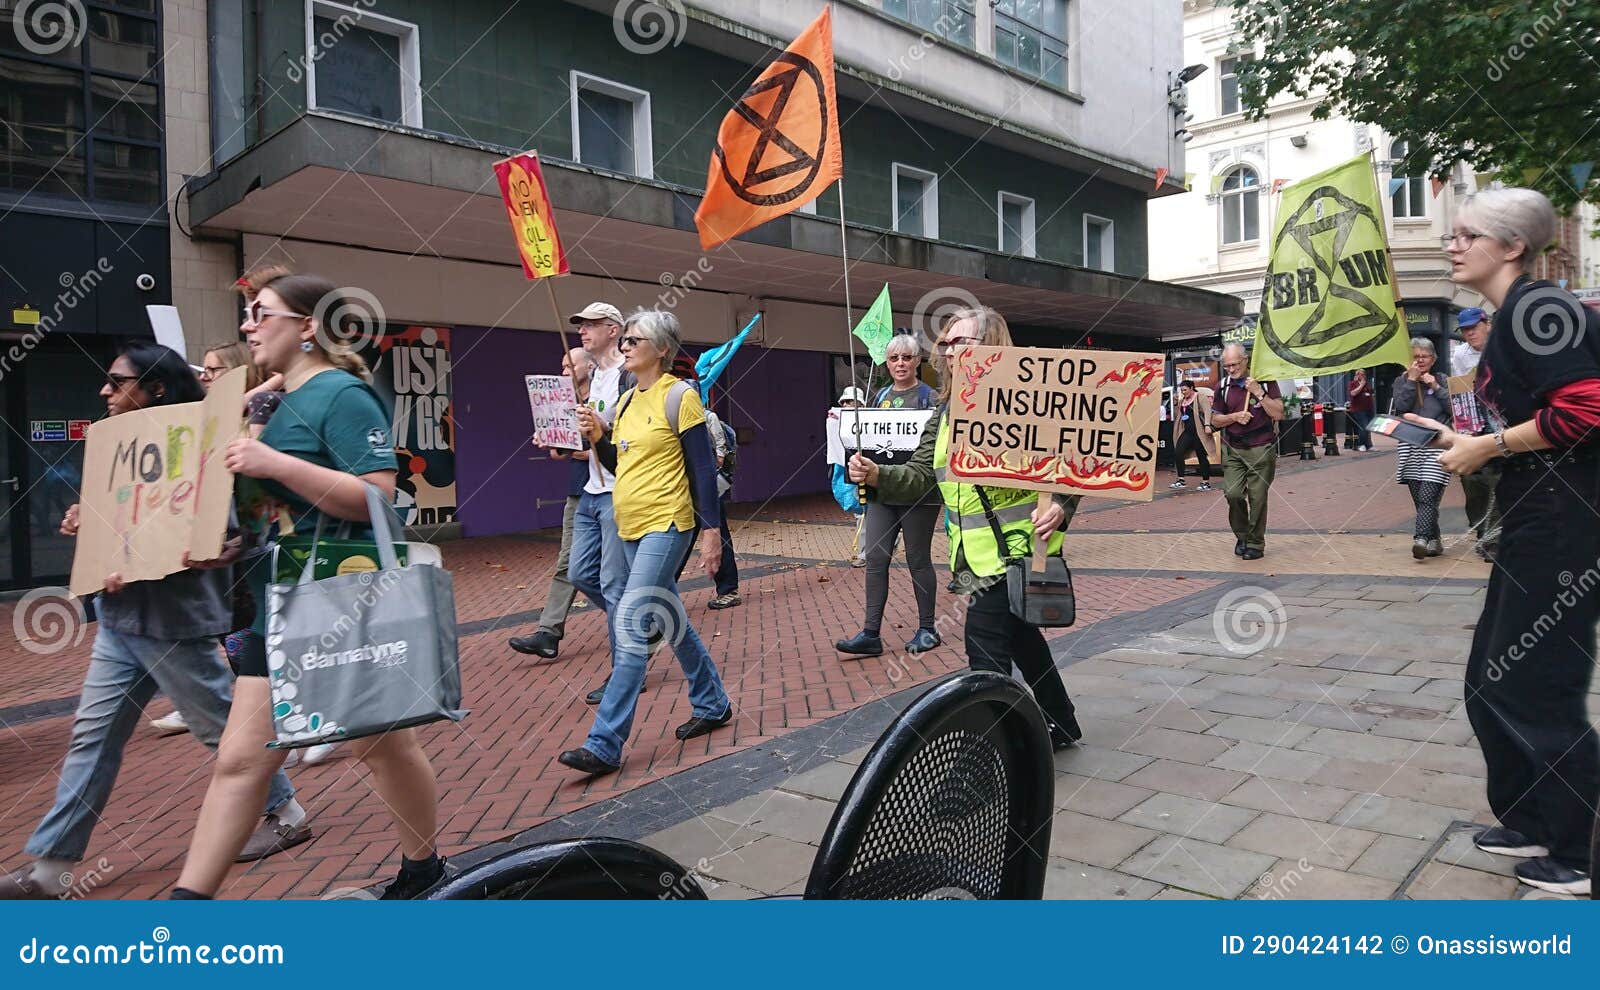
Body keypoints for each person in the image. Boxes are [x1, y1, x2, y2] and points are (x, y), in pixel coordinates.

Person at [0, 343, 308, 900]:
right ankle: (50, 867)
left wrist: (222, 545)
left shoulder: (212, 442)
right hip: (121, 618)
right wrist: (84, 521)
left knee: (219, 725)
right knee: (93, 738)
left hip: (175, 618)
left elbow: (254, 524)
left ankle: (285, 810)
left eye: (118, 382)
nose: (105, 391)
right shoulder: (120, 445)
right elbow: (115, 512)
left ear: (157, 388)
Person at [171, 274, 444, 899]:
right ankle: (186, 908)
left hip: (336, 601)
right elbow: (277, 513)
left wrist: (272, 462)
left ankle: (425, 870)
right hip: (278, 600)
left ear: (308, 327)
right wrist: (227, 548)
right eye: (247, 314)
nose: (247, 326)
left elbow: (379, 496)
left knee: (382, 748)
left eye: (260, 313)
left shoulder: (342, 396)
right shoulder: (270, 406)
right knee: (242, 761)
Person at [1405, 187, 1600, 895]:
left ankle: (1578, 852)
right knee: (1491, 680)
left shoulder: (1540, 307)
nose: (1451, 244)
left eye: (1466, 234)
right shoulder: (1512, 314)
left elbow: (1588, 409)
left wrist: (1487, 447)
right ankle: (1531, 818)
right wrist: (1473, 441)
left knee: (1534, 686)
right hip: (1534, 517)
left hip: (1564, 525)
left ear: (1512, 246)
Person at [847, 306, 1081, 747]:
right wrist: (878, 474)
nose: (951, 350)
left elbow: (1070, 463)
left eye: (962, 342)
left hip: (1018, 549)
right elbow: (920, 474)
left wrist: (1063, 506)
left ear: (991, 345)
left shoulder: (1025, 401)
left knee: (984, 652)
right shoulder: (945, 412)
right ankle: (1061, 723)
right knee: (1023, 639)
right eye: (948, 343)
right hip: (972, 557)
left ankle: (990, 752)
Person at [560, 310, 734, 776]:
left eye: (635, 339)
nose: (626, 346)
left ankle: (604, 743)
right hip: (630, 525)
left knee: (634, 623)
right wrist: (597, 435)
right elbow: (619, 465)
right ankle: (713, 701)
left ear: (661, 349)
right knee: (669, 616)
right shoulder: (625, 403)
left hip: (668, 524)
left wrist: (711, 533)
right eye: (626, 340)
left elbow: (702, 470)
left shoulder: (680, 396)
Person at [835, 333, 942, 658]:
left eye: (906, 358)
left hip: (917, 493)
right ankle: (871, 633)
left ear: (917, 361)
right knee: (875, 559)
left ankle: (927, 628)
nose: (900, 364)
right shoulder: (879, 395)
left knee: (917, 559)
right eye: (894, 358)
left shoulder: (931, 398)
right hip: (882, 491)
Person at [566, 302, 634, 706]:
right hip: (590, 492)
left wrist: (601, 429)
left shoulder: (626, 377)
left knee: (613, 584)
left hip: (617, 492)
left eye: (591, 325)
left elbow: (628, 435)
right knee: (580, 574)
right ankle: (641, 621)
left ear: (613, 330)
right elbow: (584, 441)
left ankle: (624, 671)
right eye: (580, 325)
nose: (583, 331)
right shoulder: (591, 381)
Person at [511, 346, 595, 659]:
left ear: (589, 366)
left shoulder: (608, 395)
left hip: (613, 493)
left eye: (568, 366)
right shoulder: (564, 404)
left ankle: (643, 618)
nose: (563, 372)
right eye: (561, 366)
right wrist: (550, 440)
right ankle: (548, 632)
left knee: (614, 567)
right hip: (578, 491)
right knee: (567, 563)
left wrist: (589, 453)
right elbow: (559, 453)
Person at [1211, 343, 1284, 559]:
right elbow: (1215, 419)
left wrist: (1259, 393)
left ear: (1245, 360)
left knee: (1257, 497)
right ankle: (1242, 535)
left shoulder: (1264, 380)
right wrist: (1233, 417)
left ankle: (1255, 543)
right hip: (1233, 448)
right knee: (1232, 494)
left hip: (1261, 446)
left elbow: (1278, 413)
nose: (1231, 370)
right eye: (1227, 366)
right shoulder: (1222, 386)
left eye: (1234, 364)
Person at [1390, 338, 1451, 559]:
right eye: (1416, 356)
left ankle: (1421, 539)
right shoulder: (1402, 381)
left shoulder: (1443, 379)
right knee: (1419, 495)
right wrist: (1411, 381)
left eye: (1424, 356)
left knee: (1428, 492)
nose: (1420, 360)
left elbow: (1453, 408)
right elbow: (1401, 407)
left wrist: (1434, 386)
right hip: (1410, 443)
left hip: (1438, 443)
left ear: (1433, 359)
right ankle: (1435, 539)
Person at [1450, 307, 1501, 558]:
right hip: (1474, 424)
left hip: (1502, 423)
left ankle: (1493, 540)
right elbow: (1460, 391)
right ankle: (1482, 531)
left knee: (1498, 481)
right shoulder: (1460, 355)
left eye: (1474, 327)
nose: (1469, 333)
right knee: (1472, 479)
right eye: (1465, 330)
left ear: (1487, 324)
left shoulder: (1503, 348)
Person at [701, 402, 742, 609]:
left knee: (719, 534)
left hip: (706, 486)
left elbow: (720, 453)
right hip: (686, 489)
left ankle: (728, 589)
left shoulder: (707, 417)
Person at [833, 387, 868, 567]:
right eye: (844, 402)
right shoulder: (838, 421)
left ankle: (864, 553)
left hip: (866, 470)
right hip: (848, 472)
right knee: (860, 513)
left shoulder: (869, 422)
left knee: (865, 514)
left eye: (850, 402)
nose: (846, 405)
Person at [1169, 380, 1214, 491]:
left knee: (1201, 456)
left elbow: (1207, 410)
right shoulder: (1182, 401)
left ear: (1192, 388)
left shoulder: (1200, 397)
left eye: (1185, 390)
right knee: (1178, 452)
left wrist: (1207, 424)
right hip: (1187, 432)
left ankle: (1205, 482)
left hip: (1199, 432)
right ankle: (1181, 479)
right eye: (1182, 390)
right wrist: (1175, 403)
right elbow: (1178, 415)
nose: (1183, 392)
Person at [1346, 368, 1375, 451]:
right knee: (1363, 426)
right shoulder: (1353, 383)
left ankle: (1369, 445)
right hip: (1358, 409)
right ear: (1357, 375)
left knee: (1368, 427)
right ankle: (1361, 444)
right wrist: (1361, 385)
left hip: (1368, 408)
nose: (1362, 376)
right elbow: (1353, 393)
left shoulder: (1367, 384)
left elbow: (1371, 392)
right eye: (1360, 374)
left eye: (1363, 374)